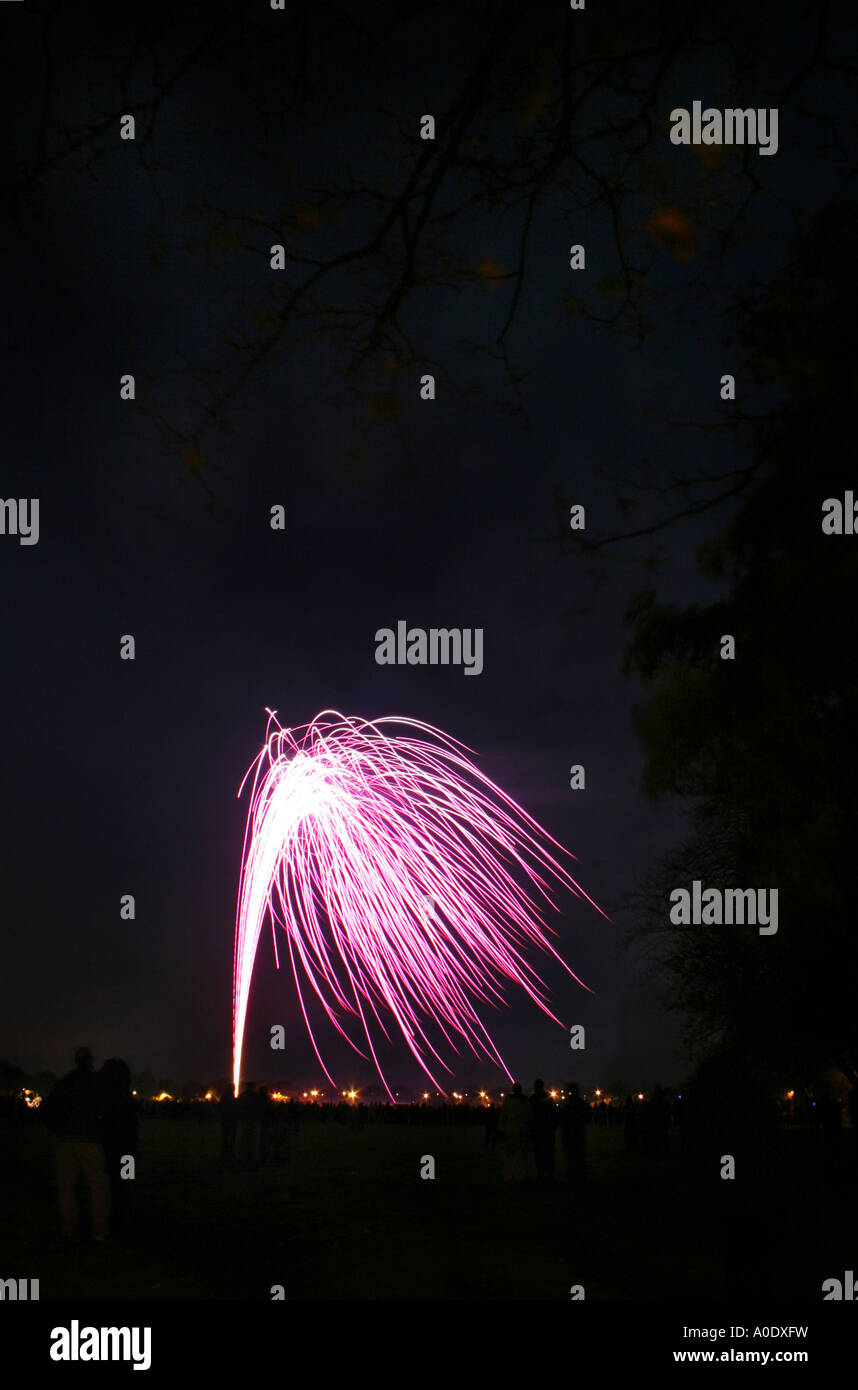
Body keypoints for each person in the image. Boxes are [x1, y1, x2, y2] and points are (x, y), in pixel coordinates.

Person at [41, 1047, 109, 1243]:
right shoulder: (97, 1083)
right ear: (91, 1061)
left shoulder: (63, 1083)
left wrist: (60, 1130)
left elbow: (49, 1111)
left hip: (65, 1141)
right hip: (90, 1140)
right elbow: (106, 1110)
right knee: (98, 1187)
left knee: (66, 1188)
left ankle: (69, 1229)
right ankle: (99, 1231)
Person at [100, 1058, 138, 1236]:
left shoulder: (106, 1100)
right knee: (126, 1184)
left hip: (110, 1149)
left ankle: (112, 1220)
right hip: (127, 1150)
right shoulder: (128, 1100)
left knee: (111, 1185)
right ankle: (125, 1221)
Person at [500, 1082, 531, 1180]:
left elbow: (503, 1115)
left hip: (513, 1129)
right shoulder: (525, 1101)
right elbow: (529, 1116)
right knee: (519, 1153)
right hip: (519, 1129)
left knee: (512, 1154)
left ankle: (510, 1174)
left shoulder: (508, 1101)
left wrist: (502, 1127)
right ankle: (520, 1174)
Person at [558, 1082, 588, 1181]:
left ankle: (573, 1175)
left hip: (571, 1134)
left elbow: (561, 1118)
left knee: (572, 1156)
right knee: (576, 1156)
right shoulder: (581, 1104)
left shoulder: (566, 1105)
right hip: (576, 1133)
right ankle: (578, 1175)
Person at [530, 1078, 557, 1178]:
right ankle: (549, 1172)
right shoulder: (548, 1098)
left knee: (539, 1152)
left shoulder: (532, 1099)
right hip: (547, 1129)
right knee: (548, 1152)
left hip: (539, 1130)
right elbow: (554, 1113)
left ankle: (541, 1171)